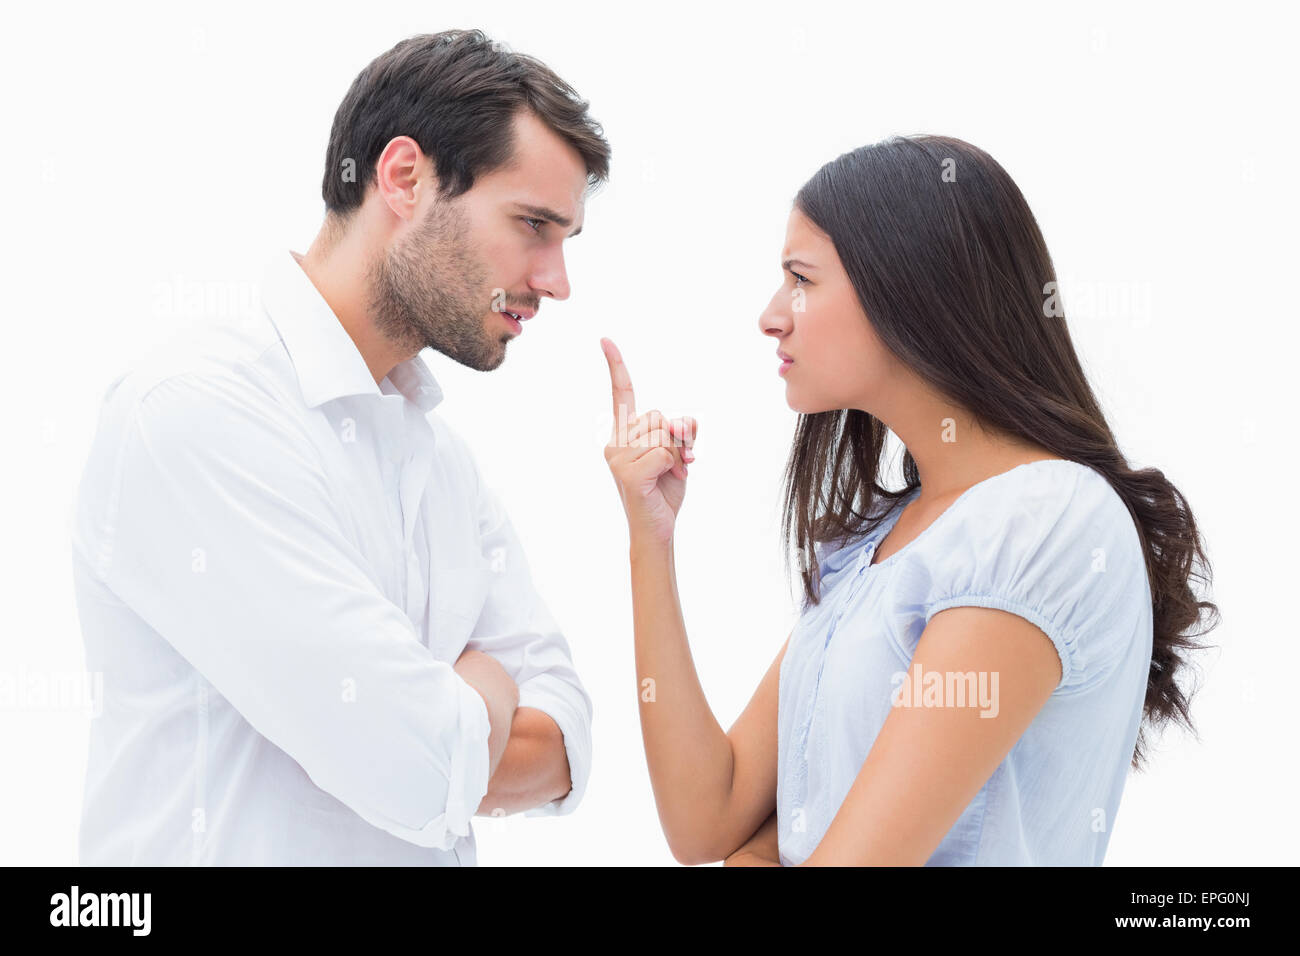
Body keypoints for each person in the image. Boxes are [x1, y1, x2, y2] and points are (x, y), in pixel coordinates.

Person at [601, 134, 1218, 866]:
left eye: (801, 278)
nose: (772, 315)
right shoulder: (879, 541)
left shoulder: (1043, 520)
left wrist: (761, 853)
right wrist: (651, 536)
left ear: (911, 288)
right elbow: (708, 817)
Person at [70, 29, 608, 865]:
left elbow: (567, 735)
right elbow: (418, 765)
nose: (556, 278)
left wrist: (453, 713)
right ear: (404, 179)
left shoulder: (442, 461)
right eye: (534, 224)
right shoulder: (198, 412)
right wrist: (480, 689)